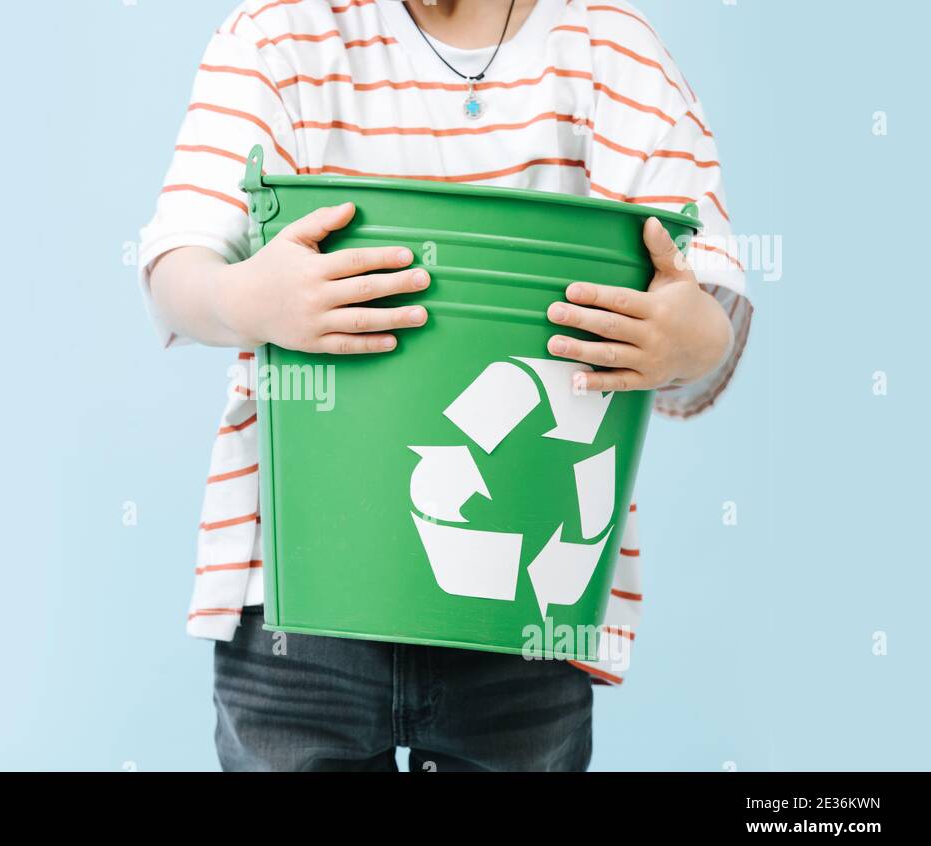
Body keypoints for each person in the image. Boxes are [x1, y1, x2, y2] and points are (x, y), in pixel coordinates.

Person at [138, 0, 752, 771]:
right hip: (296, 605)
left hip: (530, 606)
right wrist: (243, 297)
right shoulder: (277, 36)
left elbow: (707, 309)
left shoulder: (611, 51)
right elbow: (176, 266)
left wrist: (686, 336)